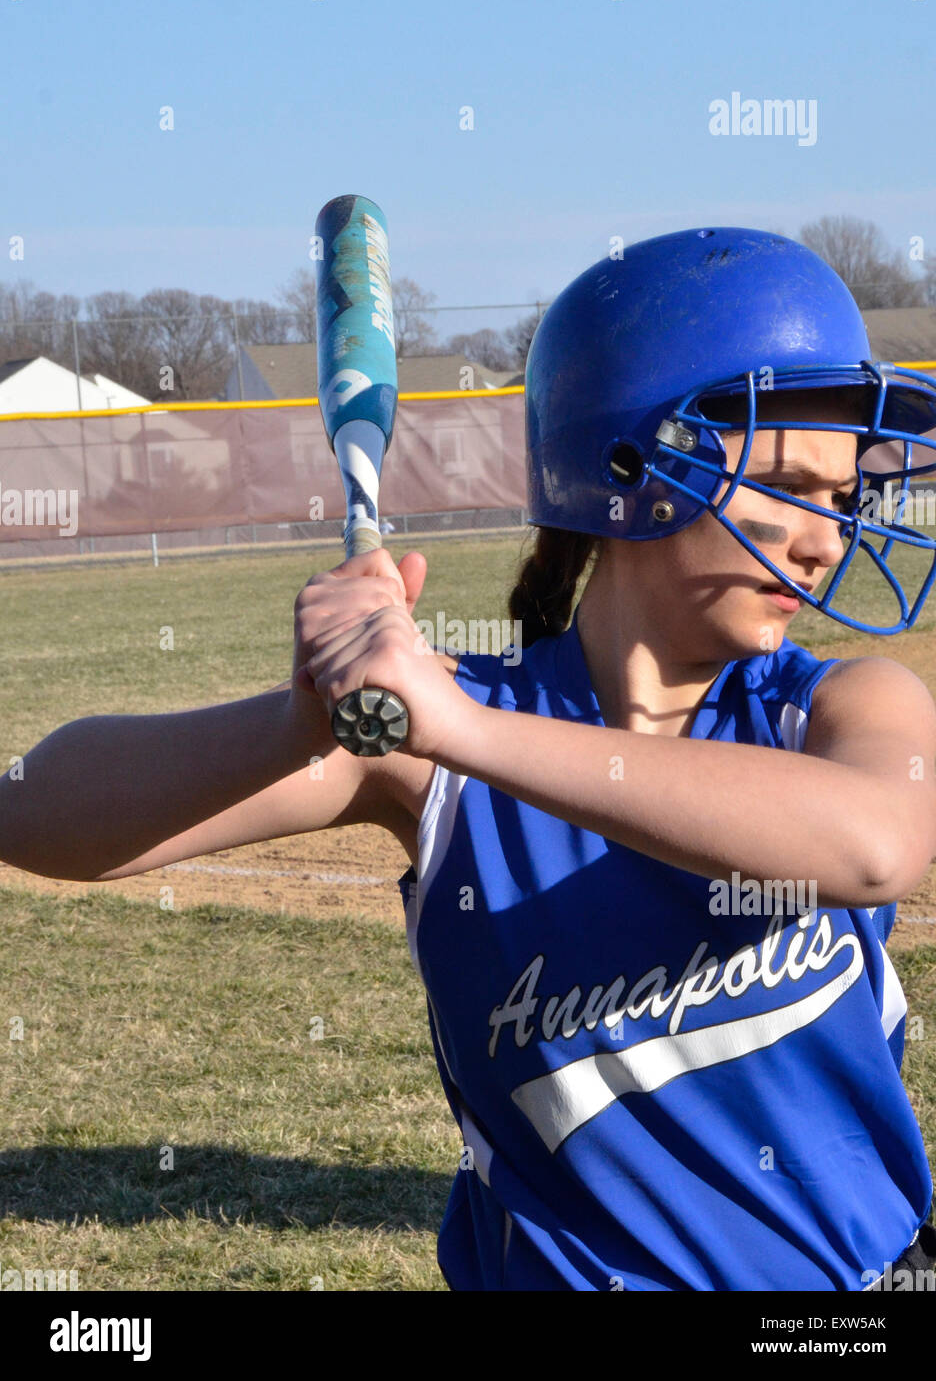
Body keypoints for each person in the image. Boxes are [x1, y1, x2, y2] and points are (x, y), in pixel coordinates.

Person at [3, 227, 936, 1291]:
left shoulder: (842, 704)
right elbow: (33, 810)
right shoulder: (443, 742)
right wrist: (295, 727)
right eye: (785, 485)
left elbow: (875, 844)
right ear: (628, 471)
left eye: (842, 493)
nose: (827, 538)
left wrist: (464, 730)